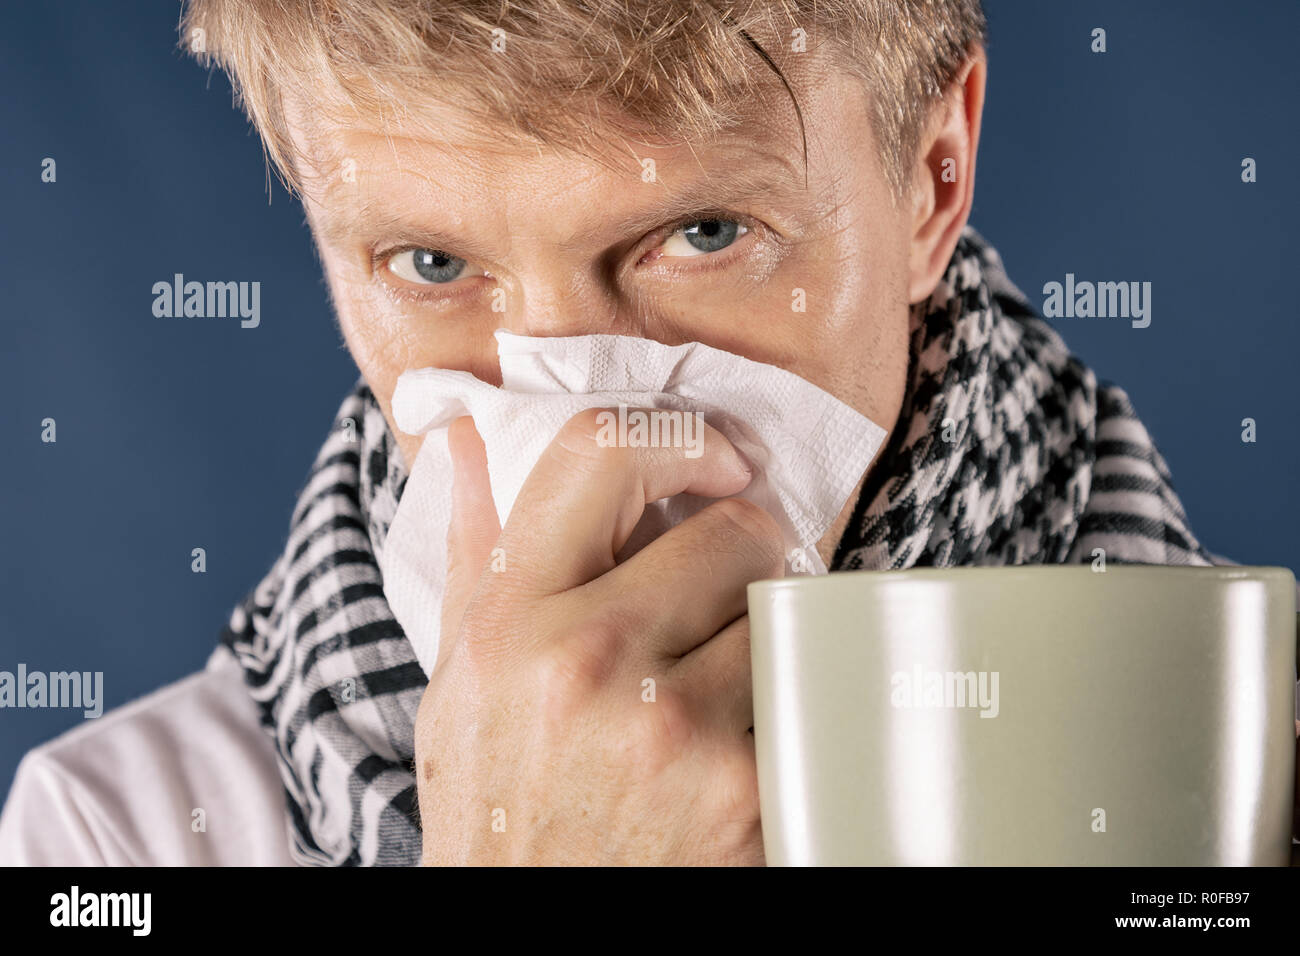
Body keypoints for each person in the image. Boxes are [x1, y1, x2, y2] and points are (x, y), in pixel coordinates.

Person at [1, 0, 1283, 866]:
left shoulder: (1242, 778)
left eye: (705, 234)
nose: (572, 422)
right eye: (433, 259)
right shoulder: (113, 838)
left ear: (930, 179)